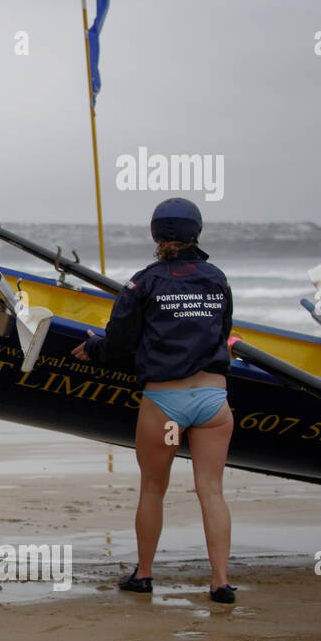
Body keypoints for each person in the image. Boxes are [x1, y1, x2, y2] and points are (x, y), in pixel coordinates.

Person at [70, 198, 237, 603]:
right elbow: (222, 331)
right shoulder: (217, 278)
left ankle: (143, 576)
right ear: (197, 233)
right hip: (214, 403)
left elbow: (122, 343)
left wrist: (93, 349)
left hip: (166, 404)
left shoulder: (142, 282)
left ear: (155, 235)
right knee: (211, 490)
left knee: (152, 489)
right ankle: (219, 582)